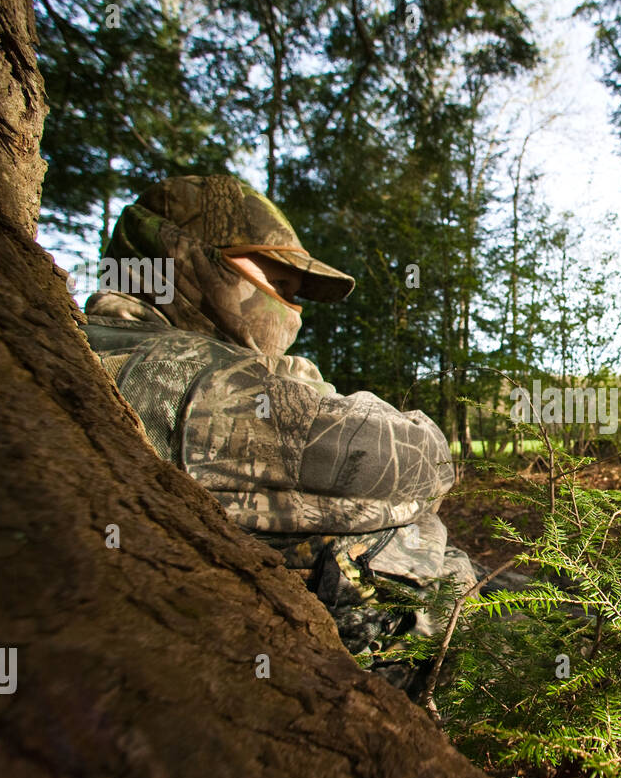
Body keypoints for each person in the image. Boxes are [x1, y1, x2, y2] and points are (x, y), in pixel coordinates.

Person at [77, 174, 475, 694]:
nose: (291, 307)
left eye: (296, 292)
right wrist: (406, 506)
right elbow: (414, 459)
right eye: (277, 280)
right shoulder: (170, 369)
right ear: (181, 254)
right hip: (374, 675)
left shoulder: (154, 356)